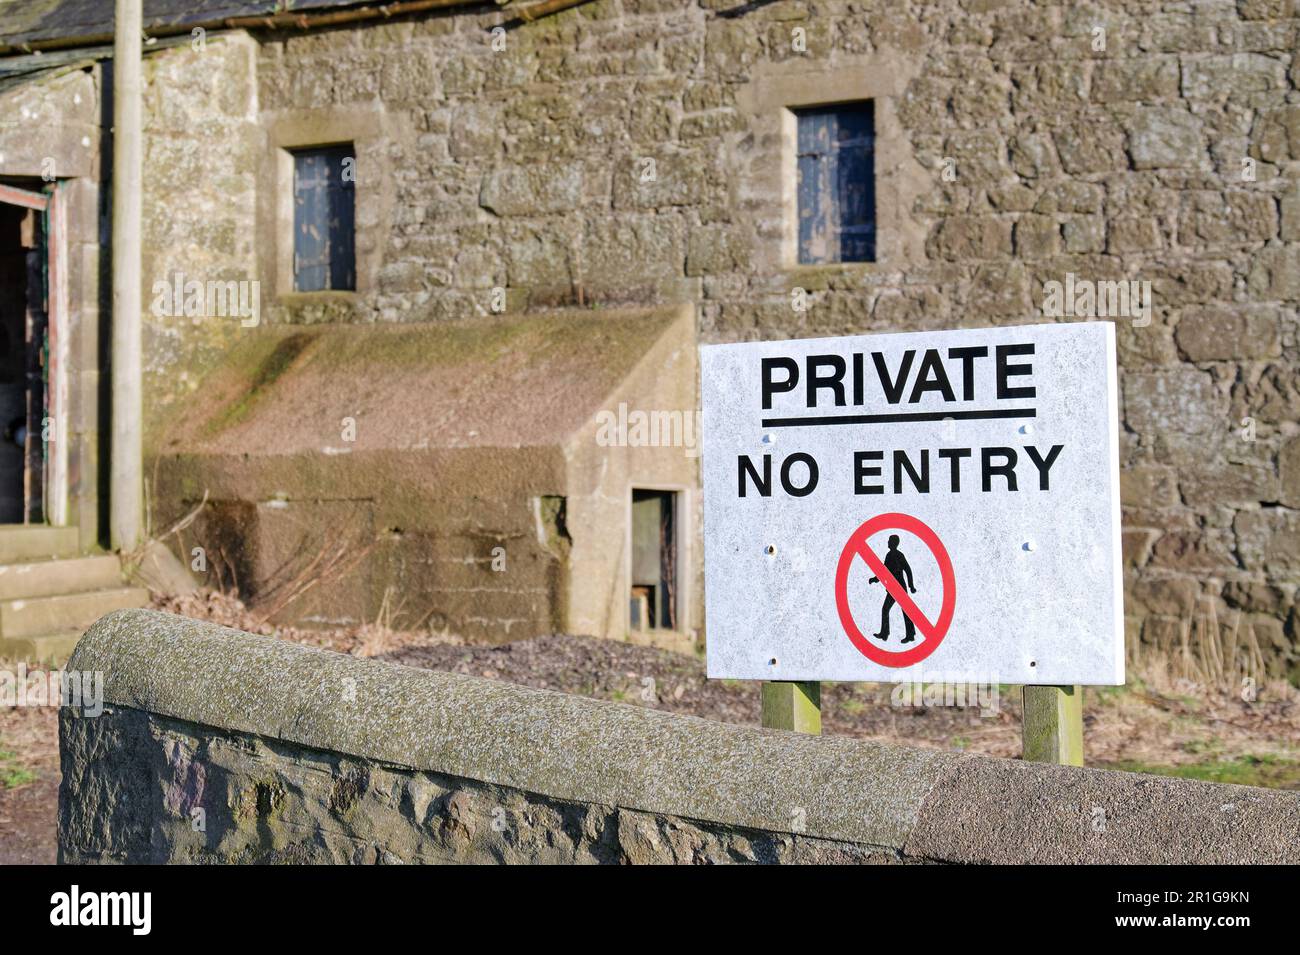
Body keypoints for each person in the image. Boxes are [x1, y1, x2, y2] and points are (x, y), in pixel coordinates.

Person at [868, 534, 917, 643]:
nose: (888, 542)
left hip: (898, 588)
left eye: (889, 540)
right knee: (896, 610)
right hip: (894, 588)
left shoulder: (896, 555)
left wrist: (911, 585)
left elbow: (907, 570)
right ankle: (887, 633)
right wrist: (875, 579)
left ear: (893, 543)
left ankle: (904, 634)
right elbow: (883, 571)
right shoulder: (889, 555)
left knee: (900, 610)